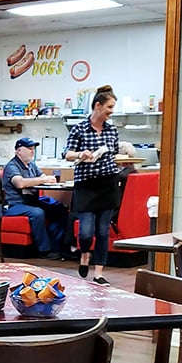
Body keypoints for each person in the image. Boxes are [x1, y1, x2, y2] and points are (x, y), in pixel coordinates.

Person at [63, 84, 120, 285]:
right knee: (86, 232)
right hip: (86, 185)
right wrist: (81, 154)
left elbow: (114, 153)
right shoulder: (79, 128)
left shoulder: (112, 130)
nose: (111, 111)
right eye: (109, 107)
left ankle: (99, 273)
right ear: (98, 106)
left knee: (103, 231)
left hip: (108, 184)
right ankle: (85, 253)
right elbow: (66, 153)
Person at [1, 137, 68, 260]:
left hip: (32, 201)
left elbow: (43, 176)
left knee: (59, 208)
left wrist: (48, 179)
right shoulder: (12, 166)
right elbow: (20, 183)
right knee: (37, 213)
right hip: (14, 204)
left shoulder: (31, 164)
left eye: (33, 149)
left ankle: (58, 247)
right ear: (18, 151)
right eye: (29, 148)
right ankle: (44, 250)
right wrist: (43, 179)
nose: (32, 151)